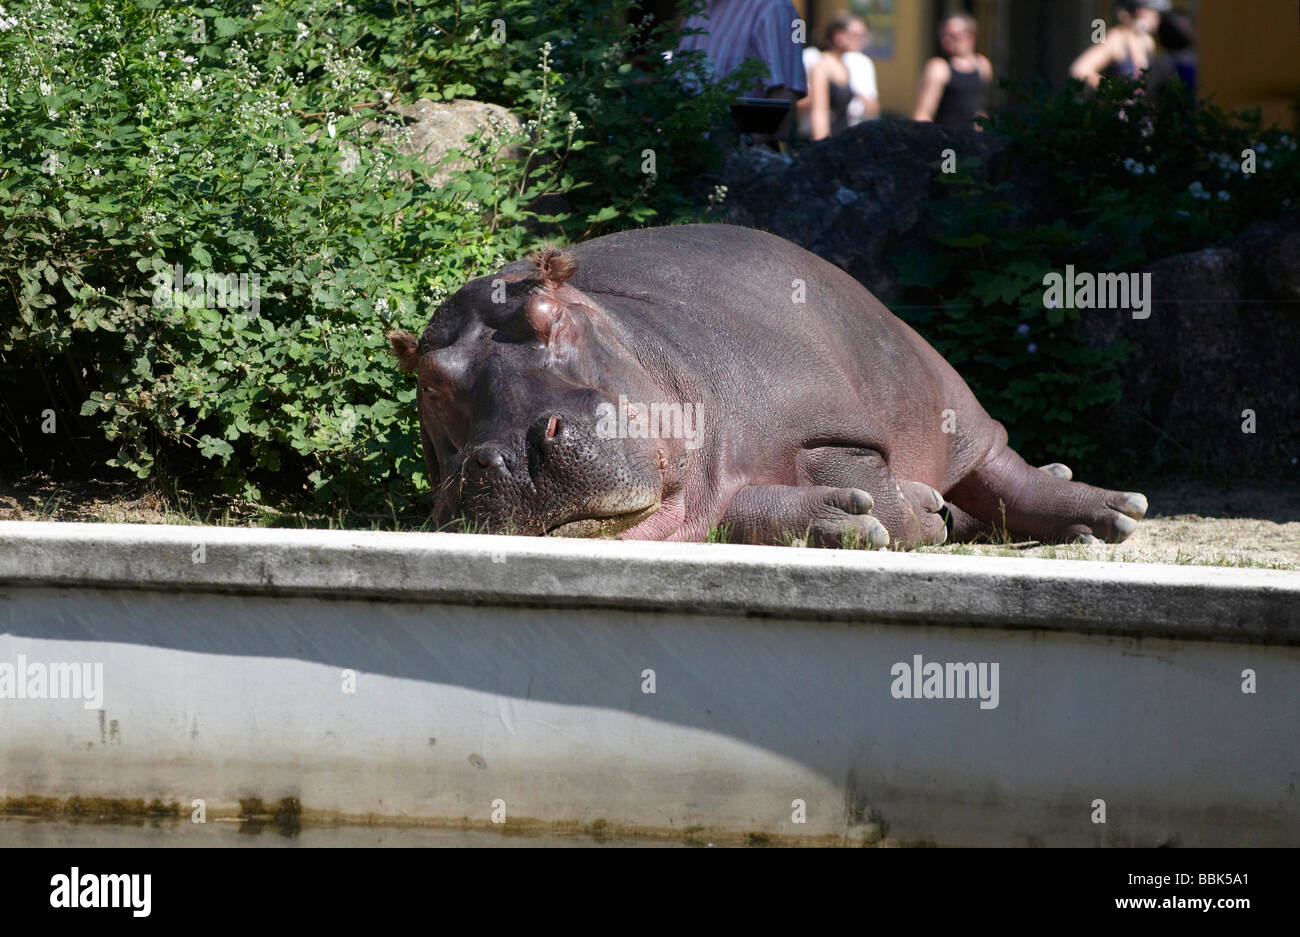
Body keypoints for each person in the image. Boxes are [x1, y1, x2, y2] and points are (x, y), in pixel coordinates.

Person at [676, 0, 806, 145]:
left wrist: (741, 143)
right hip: (682, 156)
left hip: (740, 162)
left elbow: (783, 113)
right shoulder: (697, 6)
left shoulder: (775, 7)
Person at [805, 13, 879, 140]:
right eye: (855, 35)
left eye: (864, 36)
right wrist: (822, 146)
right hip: (828, 141)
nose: (861, 40)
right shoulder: (822, 66)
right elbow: (819, 112)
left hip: (844, 138)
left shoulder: (846, 64)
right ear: (838, 35)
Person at [912, 13, 992, 129]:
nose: (946, 41)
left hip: (972, 141)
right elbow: (922, 114)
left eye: (953, 36)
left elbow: (980, 108)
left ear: (970, 37)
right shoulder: (939, 67)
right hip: (946, 141)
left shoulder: (983, 65)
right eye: (943, 36)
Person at [1068, 0, 1169, 88]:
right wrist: (1114, 91)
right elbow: (1080, 70)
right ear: (1140, 12)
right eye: (1155, 13)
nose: (1158, 19)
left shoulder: (1147, 41)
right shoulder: (1116, 39)